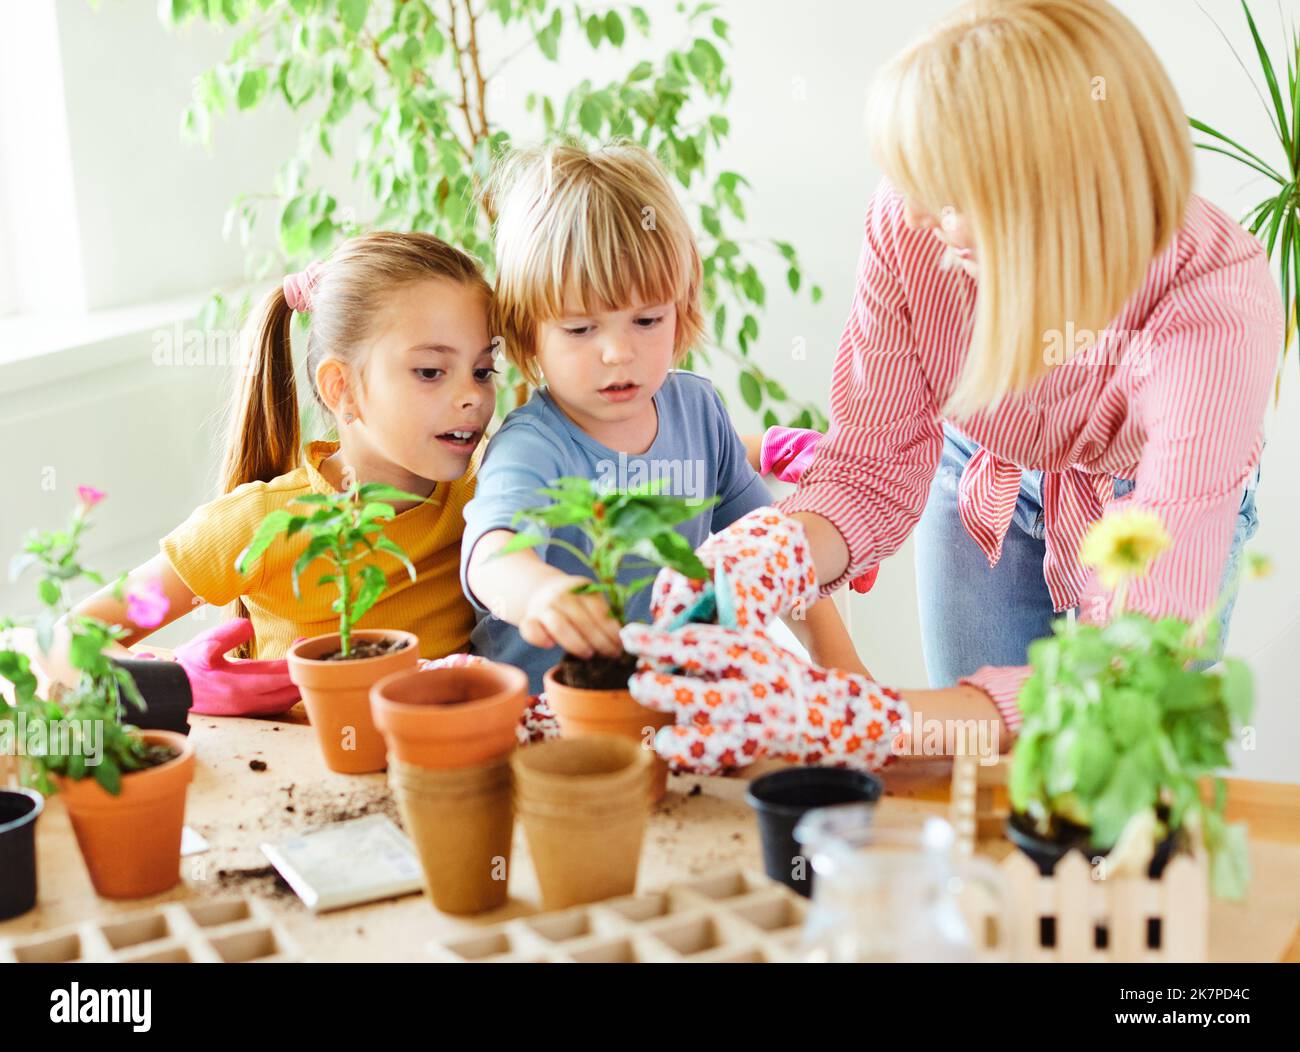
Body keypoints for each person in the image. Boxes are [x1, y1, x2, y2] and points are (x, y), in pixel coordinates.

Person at [623, 0, 1278, 772]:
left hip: (1142, 500)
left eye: (953, 197)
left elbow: (1132, 667)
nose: (922, 219)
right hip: (984, 475)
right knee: (975, 782)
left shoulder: (1212, 307)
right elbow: (869, 467)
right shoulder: (911, 219)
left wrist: (856, 718)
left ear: (1055, 193)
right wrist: (765, 557)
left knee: (1125, 774)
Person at [462, 141, 865, 695]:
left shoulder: (699, 412)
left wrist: (839, 662)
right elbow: (490, 558)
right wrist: (537, 594)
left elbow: (774, 551)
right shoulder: (533, 445)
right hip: (546, 716)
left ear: (683, 307)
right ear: (529, 330)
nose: (617, 353)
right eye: (581, 330)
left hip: (669, 703)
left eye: (647, 319)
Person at [58, 232, 498, 715]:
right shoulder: (259, 523)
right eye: (431, 372)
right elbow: (67, 643)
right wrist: (179, 685)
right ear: (342, 389)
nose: (473, 396)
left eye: (482, 370)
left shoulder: (485, 499)